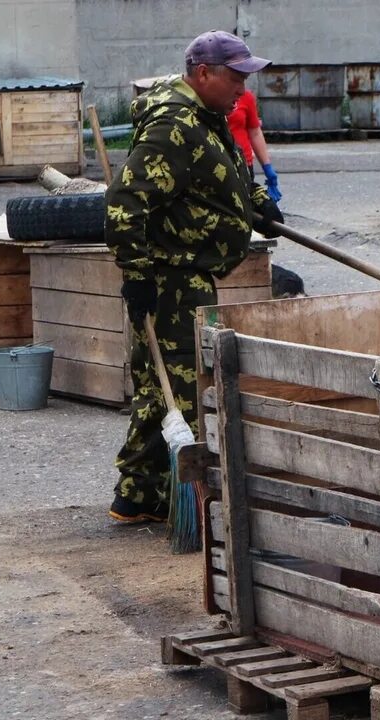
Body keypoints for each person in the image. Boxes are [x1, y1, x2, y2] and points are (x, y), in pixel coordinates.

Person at [103, 30, 284, 523]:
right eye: (236, 77)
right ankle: (151, 496)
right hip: (170, 279)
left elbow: (219, 172)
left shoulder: (207, 115)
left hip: (191, 274)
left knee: (172, 386)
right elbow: (125, 202)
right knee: (175, 387)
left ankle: (138, 496)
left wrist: (256, 204)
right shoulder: (173, 125)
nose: (243, 90)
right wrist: (137, 274)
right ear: (203, 73)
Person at [227, 89, 282, 203]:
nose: (240, 85)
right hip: (217, 162)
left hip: (244, 165)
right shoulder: (209, 94)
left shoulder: (246, 96)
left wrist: (267, 167)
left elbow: (255, 132)